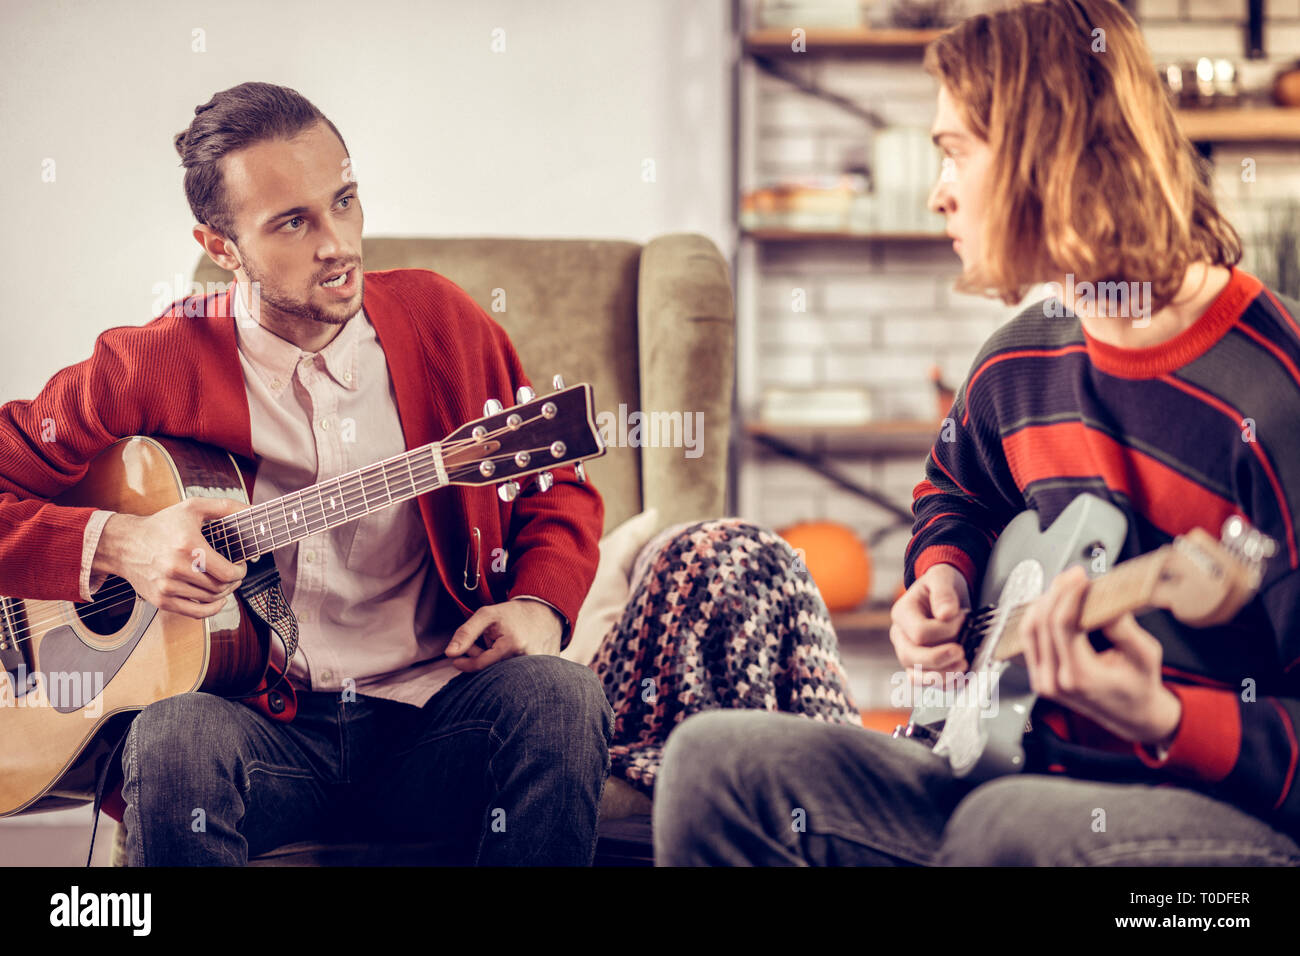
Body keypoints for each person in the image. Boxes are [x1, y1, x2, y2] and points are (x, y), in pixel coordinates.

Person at [653, 0, 1300, 866]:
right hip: (999, 765)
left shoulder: (1277, 391)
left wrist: (1169, 718)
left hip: (1214, 848)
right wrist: (943, 581)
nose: (936, 192)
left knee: (1008, 832)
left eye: (955, 151)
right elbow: (953, 494)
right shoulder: (1019, 359)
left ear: (1049, 153)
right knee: (716, 763)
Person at [0, 81, 612, 865]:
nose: (339, 244)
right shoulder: (150, 363)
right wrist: (121, 544)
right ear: (221, 248)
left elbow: (550, 482)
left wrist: (537, 606)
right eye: (293, 222)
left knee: (562, 697)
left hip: (434, 718)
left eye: (345, 200)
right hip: (261, 734)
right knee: (173, 737)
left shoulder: (443, 324)